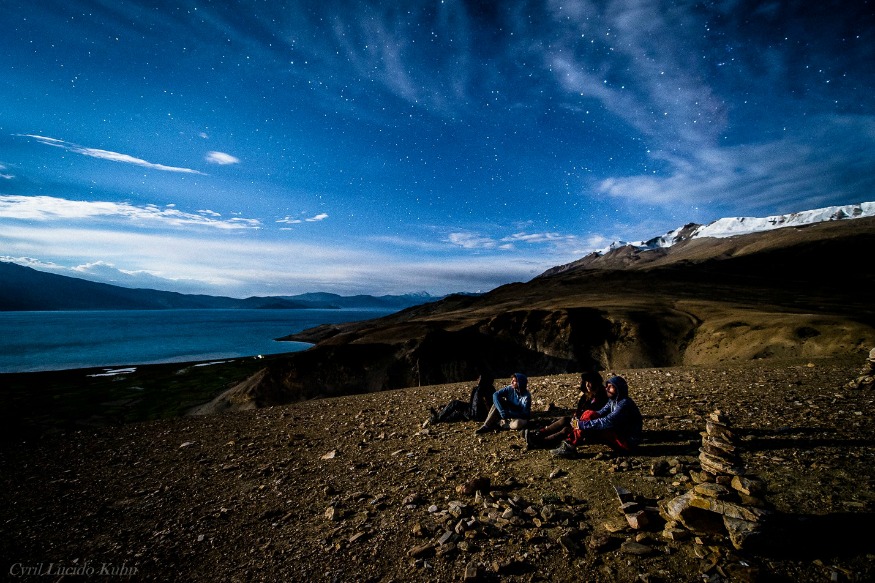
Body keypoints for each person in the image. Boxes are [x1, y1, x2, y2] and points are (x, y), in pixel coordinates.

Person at [551, 375, 642, 458]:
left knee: (590, 419)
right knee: (589, 413)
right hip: (619, 434)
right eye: (607, 386)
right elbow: (599, 413)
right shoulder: (613, 400)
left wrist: (581, 424)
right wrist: (579, 420)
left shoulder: (624, 403)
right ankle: (570, 444)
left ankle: (569, 445)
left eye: (611, 387)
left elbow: (608, 421)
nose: (607, 389)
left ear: (619, 389)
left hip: (627, 442)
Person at [525, 371, 606, 449]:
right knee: (565, 420)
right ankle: (539, 434)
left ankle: (540, 442)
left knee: (566, 430)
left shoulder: (602, 397)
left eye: (590, 382)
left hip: (590, 427)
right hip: (580, 422)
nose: (587, 385)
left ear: (596, 383)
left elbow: (594, 416)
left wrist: (578, 423)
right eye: (586, 382)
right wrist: (575, 418)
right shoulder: (587, 395)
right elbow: (579, 410)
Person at [427, 373, 495, 424]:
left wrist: (489, 417)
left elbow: (481, 404)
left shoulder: (481, 389)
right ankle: (439, 418)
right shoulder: (489, 388)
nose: (477, 379)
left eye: (479, 378)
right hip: (476, 412)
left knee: (455, 403)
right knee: (457, 415)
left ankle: (437, 417)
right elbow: (477, 403)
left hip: (475, 414)